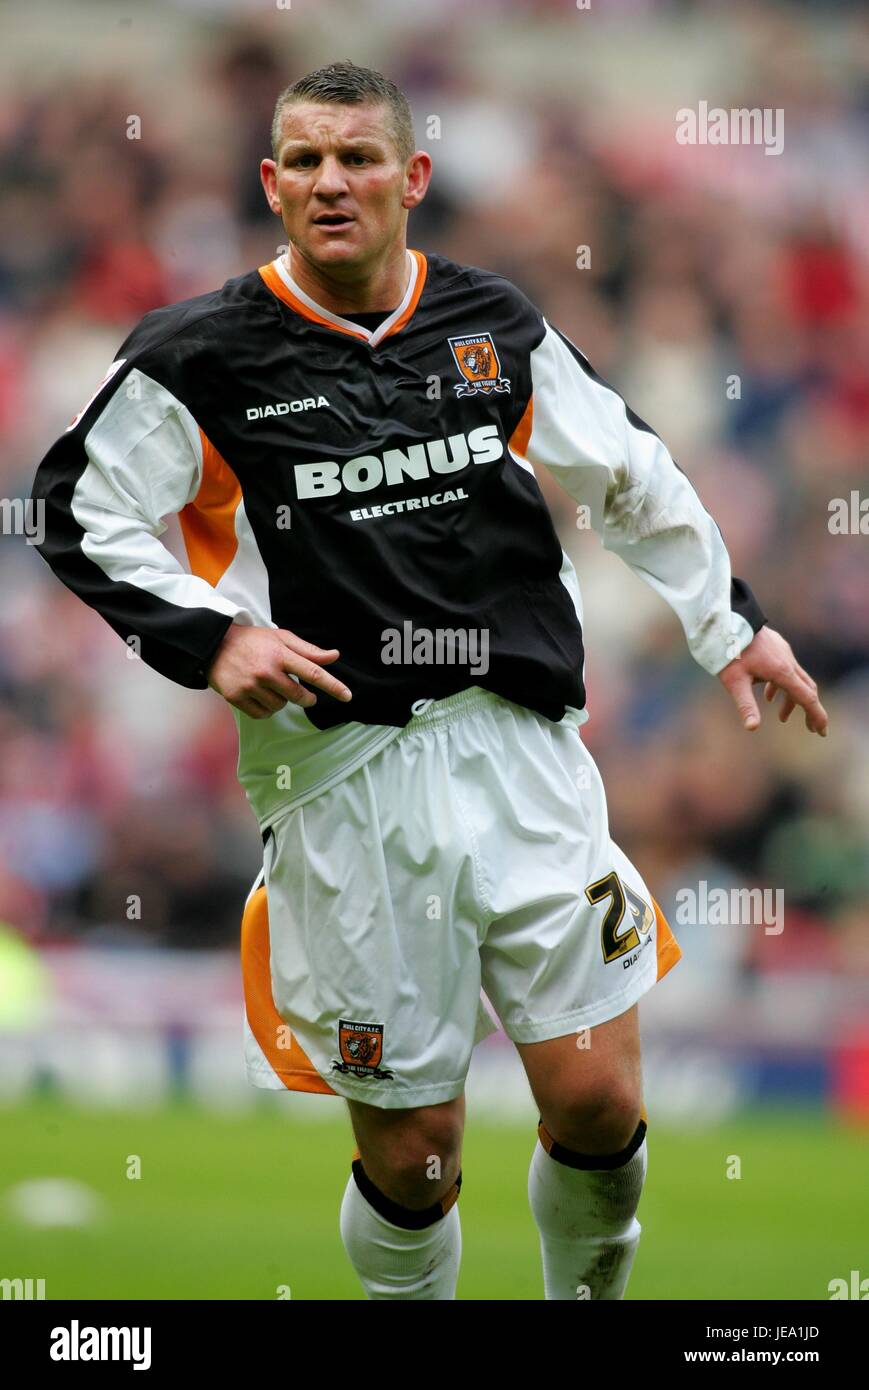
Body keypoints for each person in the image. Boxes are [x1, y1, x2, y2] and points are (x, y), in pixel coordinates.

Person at [30, 60, 828, 1301]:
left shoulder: (488, 323)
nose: (329, 182)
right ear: (270, 184)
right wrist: (211, 634)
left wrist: (731, 625)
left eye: (356, 158)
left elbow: (626, 472)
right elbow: (75, 510)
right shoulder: (201, 357)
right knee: (416, 1158)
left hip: (519, 748)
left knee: (598, 1099)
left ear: (410, 178)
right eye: (304, 161)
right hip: (344, 776)